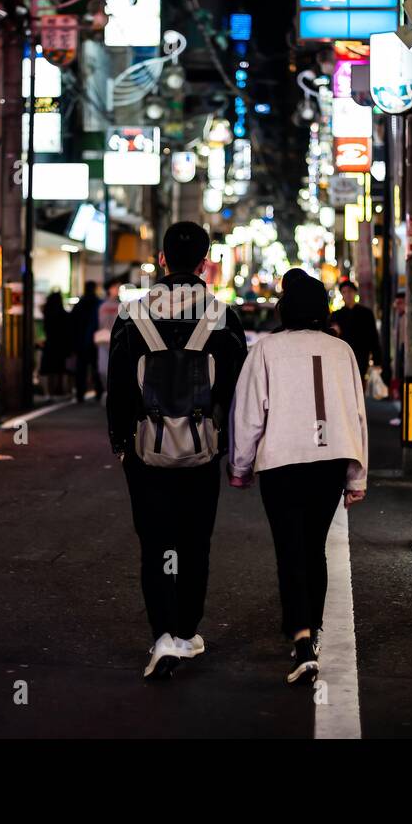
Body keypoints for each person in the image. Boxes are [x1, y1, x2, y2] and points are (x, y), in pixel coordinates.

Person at [107, 222, 248, 679]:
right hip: (202, 450)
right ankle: (187, 632)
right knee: (195, 542)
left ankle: (162, 634)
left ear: (162, 260)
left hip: (145, 449)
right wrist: (229, 443)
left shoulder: (131, 313)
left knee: (154, 543)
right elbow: (237, 389)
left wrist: (121, 444)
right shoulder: (223, 315)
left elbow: (117, 388)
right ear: (205, 261)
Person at [229, 268, 369, 685]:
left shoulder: (266, 351)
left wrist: (239, 467)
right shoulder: (341, 350)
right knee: (314, 548)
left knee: (289, 547)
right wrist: (356, 476)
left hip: (282, 462)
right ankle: (314, 631)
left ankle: (302, 638)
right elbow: (355, 414)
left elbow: (249, 414)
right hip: (329, 463)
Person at [330, 279, 380, 378]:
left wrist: (377, 360)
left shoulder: (366, 313)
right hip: (342, 356)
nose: (347, 294)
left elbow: (373, 337)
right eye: (344, 292)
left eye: (350, 291)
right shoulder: (336, 315)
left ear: (355, 292)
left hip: (361, 356)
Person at [71, 280, 104, 403]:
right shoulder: (99, 303)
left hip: (81, 342)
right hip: (96, 341)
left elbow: (72, 324)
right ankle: (99, 392)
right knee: (96, 367)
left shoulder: (79, 304)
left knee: (81, 369)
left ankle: (80, 394)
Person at [39, 291, 71, 399]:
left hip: (49, 344)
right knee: (60, 369)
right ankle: (61, 391)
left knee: (48, 370)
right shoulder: (64, 314)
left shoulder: (47, 314)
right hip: (61, 345)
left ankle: (49, 393)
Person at [95, 277, 123, 390]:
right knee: (103, 369)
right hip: (104, 340)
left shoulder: (121, 305)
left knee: (114, 369)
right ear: (110, 289)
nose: (118, 289)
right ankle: (108, 391)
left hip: (116, 341)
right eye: (116, 287)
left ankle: (111, 392)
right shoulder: (102, 305)